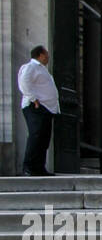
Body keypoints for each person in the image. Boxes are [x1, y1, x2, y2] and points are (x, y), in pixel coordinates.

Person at [17, 45, 60, 176]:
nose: (48, 56)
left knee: (44, 139)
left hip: (47, 108)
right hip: (35, 107)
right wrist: (33, 99)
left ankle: (39, 167)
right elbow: (24, 81)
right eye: (46, 54)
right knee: (35, 137)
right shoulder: (30, 67)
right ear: (40, 55)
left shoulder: (42, 69)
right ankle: (28, 167)